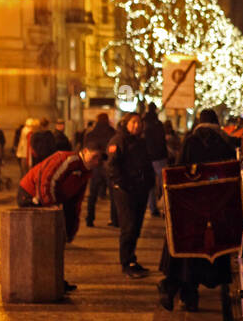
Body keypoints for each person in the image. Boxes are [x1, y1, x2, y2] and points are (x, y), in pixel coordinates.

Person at [158, 108, 239, 311]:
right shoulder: (224, 143)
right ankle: (181, 290)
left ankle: (183, 291)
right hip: (216, 208)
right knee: (208, 250)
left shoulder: (190, 141)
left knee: (187, 250)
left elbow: (177, 171)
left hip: (189, 207)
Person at [16, 142, 103, 291]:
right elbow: (46, 180)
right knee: (41, 243)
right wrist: (49, 205)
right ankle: (37, 282)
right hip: (31, 197)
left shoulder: (84, 171)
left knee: (54, 244)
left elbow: (76, 200)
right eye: (94, 157)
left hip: (50, 203)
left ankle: (54, 281)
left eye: (99, 159)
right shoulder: (67, 159)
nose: (96, 162)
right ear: (85, 151)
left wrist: (71, 227)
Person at [106, 113, 154, 277]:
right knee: (128, 227)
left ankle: (132, 258)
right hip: (126, 191)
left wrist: (149, 182)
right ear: (125, 123)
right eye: (133, 122)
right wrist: (122, 183)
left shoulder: (140, 141)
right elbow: (112, 166)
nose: (137, 125)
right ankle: (126, 262)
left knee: (136, 227)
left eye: (139, 122)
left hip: (140, 190)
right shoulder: (119, 140)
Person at [82, 111, 116, 227]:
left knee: (92, 195)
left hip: (95, 166)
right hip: (108, 166)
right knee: (112, 194)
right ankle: (113, 218)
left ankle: (89, 219)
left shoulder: (91, 134)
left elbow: (86, 148)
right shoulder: (112, 133)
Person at [141, 103, 168, 218]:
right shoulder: (159, 125)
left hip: (147, 157)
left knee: (150, 184)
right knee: (164, 185)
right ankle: (164, 207)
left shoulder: (143, 124)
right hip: (160, 157)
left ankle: (152, 207)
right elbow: (162, 141)